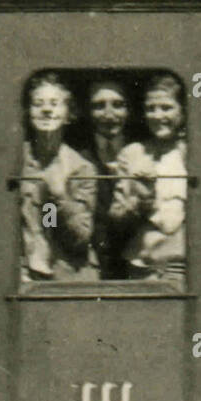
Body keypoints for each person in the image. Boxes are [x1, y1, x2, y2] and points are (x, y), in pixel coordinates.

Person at [110, 75, 189, 289]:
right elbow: (116, 218)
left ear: (181, 111)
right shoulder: (132, 153)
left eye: (166, 108)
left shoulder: (193, 153)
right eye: (151, 108)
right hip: (142, 266)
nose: (158, 115)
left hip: (183, 268)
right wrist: (140, 202)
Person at [20, 72, 98, 280]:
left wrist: (59, 196)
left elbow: (80, 236)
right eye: (38, 104)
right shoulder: (16, 158)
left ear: (68, 114)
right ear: (28, 112)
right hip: (22, 271)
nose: (46, 110)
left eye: (54, 104)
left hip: (65, 272)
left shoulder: (81, 168)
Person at [79, 80, 136, 280]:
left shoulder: (145, 151)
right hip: (89, 267)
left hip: (137, 267)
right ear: (87, 111)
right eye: (99, 105)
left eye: (118, 105)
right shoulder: (75, 154)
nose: (109, 114)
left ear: (129, 111)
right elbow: (49, 214)